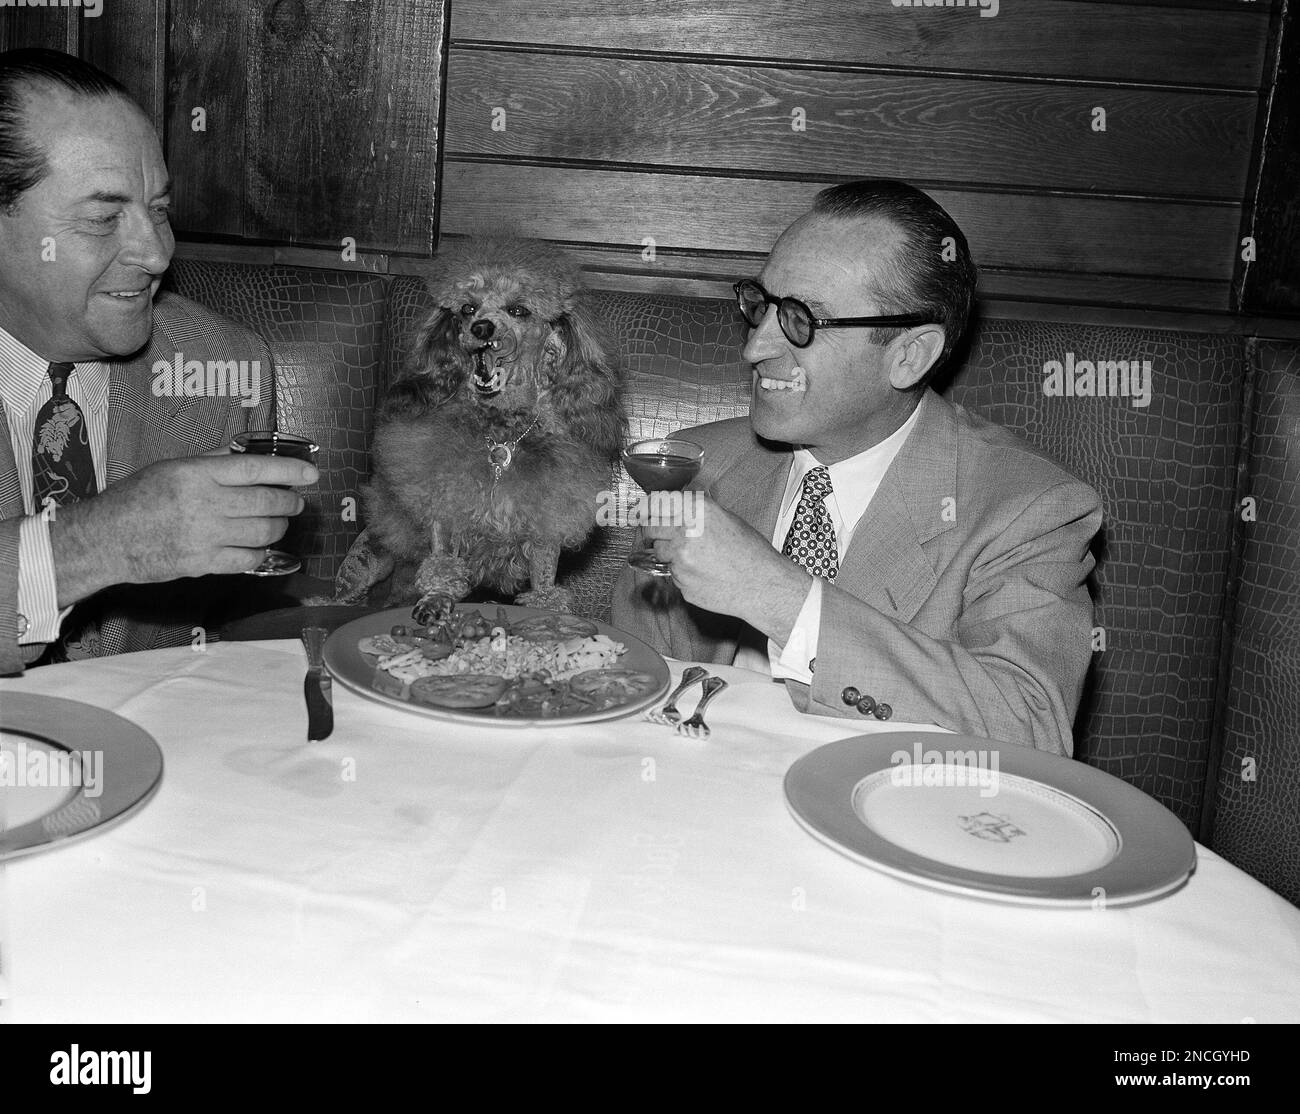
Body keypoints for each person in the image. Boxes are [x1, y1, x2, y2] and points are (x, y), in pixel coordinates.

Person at [612, 180, 1102, 756]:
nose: (755, 348)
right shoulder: (694, 464)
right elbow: (624, 680)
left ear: (909, 355)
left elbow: (1031, 728)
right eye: (760, 305)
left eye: (800, 320)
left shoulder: (1028, 507)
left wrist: (780, 598)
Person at [0, 49, 316, 674]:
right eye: (103, 218)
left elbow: (233, 628)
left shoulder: (221, 367)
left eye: (160, 210)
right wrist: (97, 544)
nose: (156, 253)